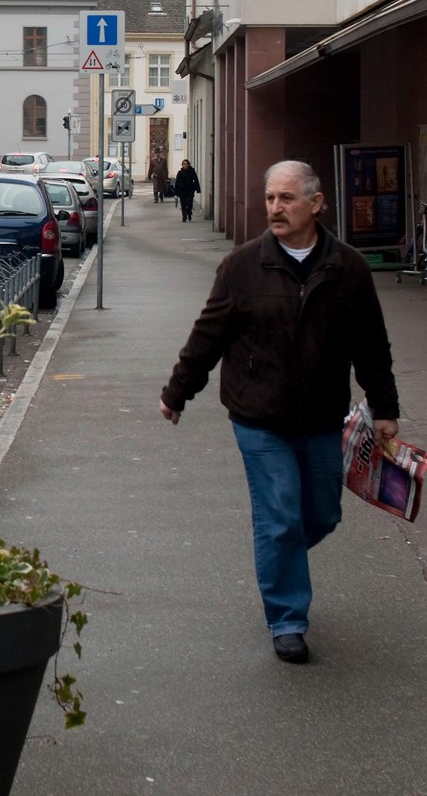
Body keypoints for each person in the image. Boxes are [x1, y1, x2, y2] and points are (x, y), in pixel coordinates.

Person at [159, 160, 401, 664]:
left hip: (321, 417)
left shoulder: (348, 268)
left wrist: (385, 408)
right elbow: (209, 336)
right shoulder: (243, 267)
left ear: (316, 204)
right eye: (271, 198)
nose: (275, 208)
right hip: (258, 416)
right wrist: (178, 391)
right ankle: (287, 617)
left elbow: (371, 345)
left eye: (287, 198)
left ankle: (281, 561)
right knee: (279, 517)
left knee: (323, 514)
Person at [173, 159, 202, 223]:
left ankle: (189, 212)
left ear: (188, 164)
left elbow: (196, 179)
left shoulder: (192, 171)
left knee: (189, 203)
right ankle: (184, 217)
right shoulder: (180, 172)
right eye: (184, 164)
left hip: (190, 190)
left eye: (186, 164)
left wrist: (198, 189)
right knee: (183, 204)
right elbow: (177, 183)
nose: (185, 165)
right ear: (182, 165)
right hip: (182, 191)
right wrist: (176, 193)